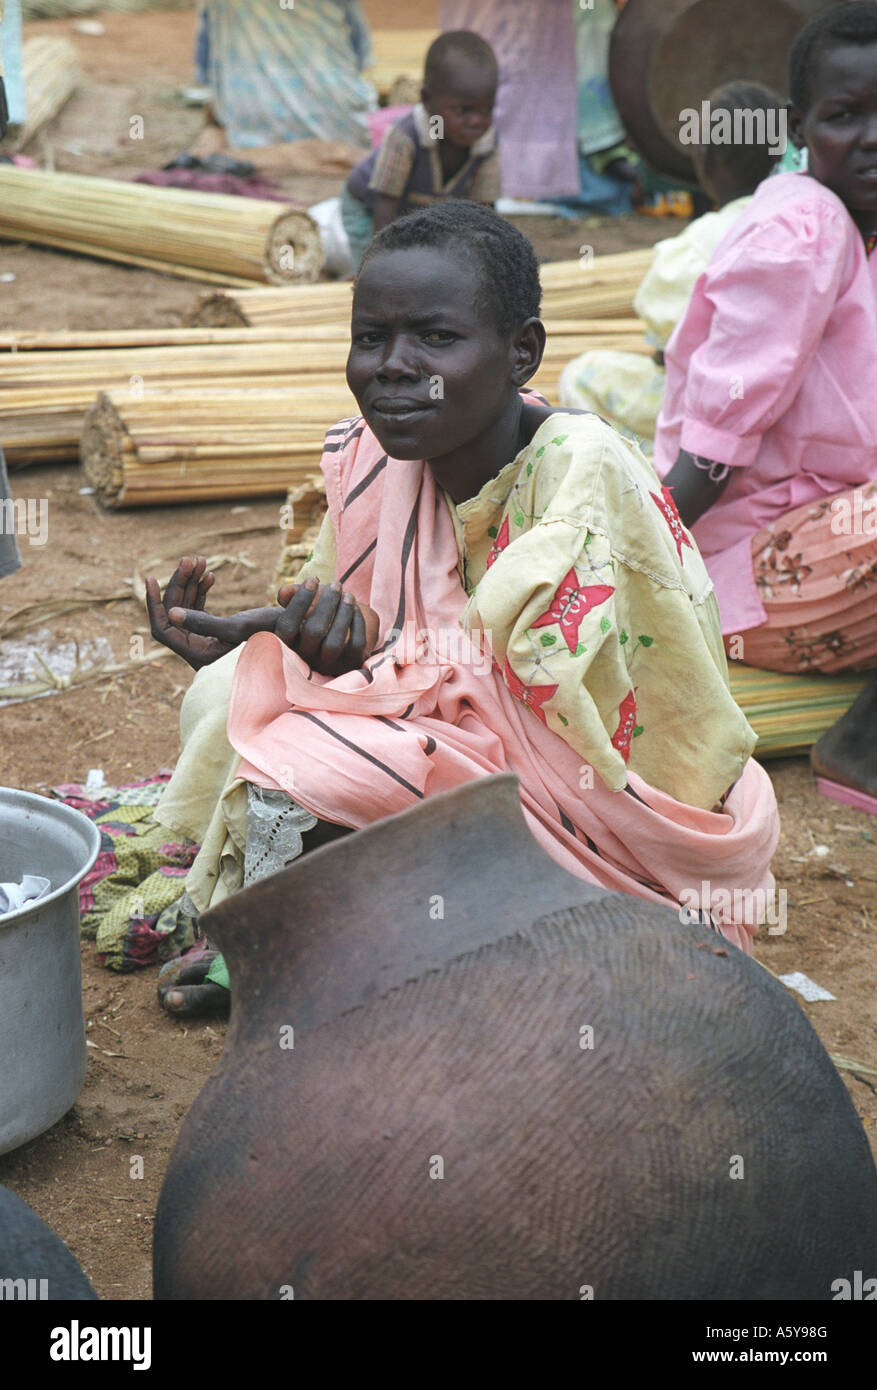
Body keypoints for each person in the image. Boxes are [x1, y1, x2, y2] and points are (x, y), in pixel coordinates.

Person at [146, 203, 779, 1017]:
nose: (393, 367)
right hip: (460, 742)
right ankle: (348, 938)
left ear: (522, 352)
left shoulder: (580, 472)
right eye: (371, 338)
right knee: (230, 692)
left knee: (317, 750)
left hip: (610, 799)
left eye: (436, 338)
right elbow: (379, 635)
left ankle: (299, 954)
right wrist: (273, 643)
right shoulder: (378, 459)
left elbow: (538, 697)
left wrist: (361, 673)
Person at [654, 2, 877, 813]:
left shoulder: (860, 228)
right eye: (844, 116)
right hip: (743, 570)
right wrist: (635, 575)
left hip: (829, 547)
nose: (871, 138)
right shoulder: (799, 230)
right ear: (796, 128)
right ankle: (861, 747)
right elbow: (717, 434)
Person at [560, 82, 787, 451]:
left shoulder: (696, 248)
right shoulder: (803, 226)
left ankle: (650, 464)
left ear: (705, 159)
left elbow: (667, 347)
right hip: (786, 406)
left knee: (581, 375)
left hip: (712, 411)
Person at [341, 31, 500, 270]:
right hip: (370, 207)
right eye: (463, 111)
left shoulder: (486, 143)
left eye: (486, 109)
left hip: (418, 212)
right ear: (427, 100)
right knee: (375, 271)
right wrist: (384, 264)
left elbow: (484, 211)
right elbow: (385, 204)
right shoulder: (406, 137)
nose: (476, 121)